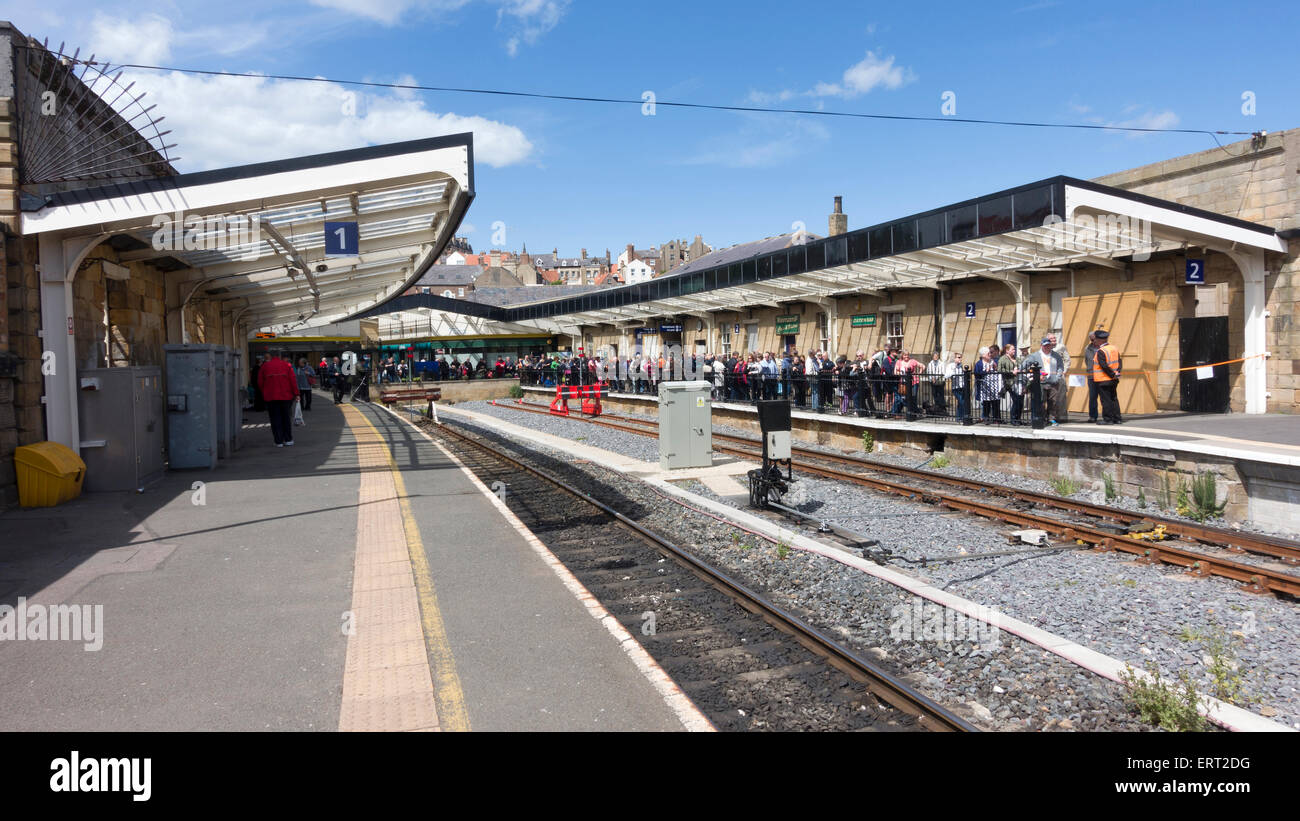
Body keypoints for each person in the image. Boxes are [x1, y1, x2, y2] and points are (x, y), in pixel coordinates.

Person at [257, 350, 299, 447]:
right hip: (286, 397)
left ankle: (278, 441)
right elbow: (293, 380)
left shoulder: (265, 366)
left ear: (270, 356)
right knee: (286, 418)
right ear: (279, 356)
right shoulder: (287, 365)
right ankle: (288, 439)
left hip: (271, 397)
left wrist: (265, 391)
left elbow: (260, 382)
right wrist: (296, 393)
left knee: (275, 419)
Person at [1021, 337, 1066, 426]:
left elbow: (1060, 366)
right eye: (1045, 345)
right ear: (1041, 346)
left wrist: (1058, 376)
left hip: (1053, 382)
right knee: (1041, 401)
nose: (1047, 347)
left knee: (1053, 401)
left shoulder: (1056, 355)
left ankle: (1052, 419)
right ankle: (1042, 418)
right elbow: (1024, 365)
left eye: (1048, 345)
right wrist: (1031, 376)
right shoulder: (1035, 356)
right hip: (1040, 382)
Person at [1093, 329, 1123, 424]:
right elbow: (1119, 362)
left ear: (1101, 340)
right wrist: (1116, 373)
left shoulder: (1101, 351)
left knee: (1106, 400)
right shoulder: (1114, 348)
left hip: (1103, 379)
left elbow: (1104, 366)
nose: (1095, 341)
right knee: (1114, 398)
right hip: (1114, 379)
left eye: (1096, 339)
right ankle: (1117, 418)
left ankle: (1108, 419)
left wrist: (1112, 374)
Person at [974, 347, 1001, 422]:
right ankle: (986, 418)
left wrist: (996, 368)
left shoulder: (993, 361)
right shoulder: (979, 364)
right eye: (988, 353)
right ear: (983, 355)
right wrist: (986, 371)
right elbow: (977, 375)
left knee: (995, 402)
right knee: (986, 403)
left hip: (994, 386)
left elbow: (997, 371)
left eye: (990, 353)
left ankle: (996, 419)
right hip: (984, 388)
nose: (990, 354)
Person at [1082, 331, 1101, 423]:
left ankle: (1108, 416)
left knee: (1105, 397)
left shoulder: (1104, 347)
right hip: (1091, 376)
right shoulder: (1087, 348)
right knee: (1093, 397)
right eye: (1091, 339)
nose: (1093, 341)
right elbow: (1087, 361)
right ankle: (1093, 416)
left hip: (1103, 376)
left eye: (1094, 339)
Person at [946, 352, 968, 419]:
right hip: (955, 387)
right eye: (958, 357)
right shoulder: (950, 366)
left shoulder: (961, 365)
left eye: (960, 357)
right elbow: (946, 375)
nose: (960, 359)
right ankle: (963, 417)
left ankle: (959, 417)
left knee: (960, 402)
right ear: (954, 358)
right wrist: (954, 369)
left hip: (962, 387)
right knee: (962, 402)